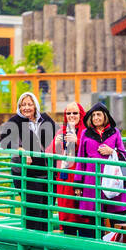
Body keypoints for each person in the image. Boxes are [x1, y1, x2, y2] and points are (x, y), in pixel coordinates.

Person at [0, 91, 56, 232]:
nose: (26, 108)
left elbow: (58, 136)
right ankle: (32, 245)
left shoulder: (46, 119)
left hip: (47, 172)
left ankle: (45, 245)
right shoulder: (15, 122)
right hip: (26, 173)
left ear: (35, 106)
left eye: (29, 104)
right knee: (33, 208)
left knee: (47, 209)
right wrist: (21, 150)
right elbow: (4, 142)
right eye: (23, 105)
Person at [75, 101, 126, 241]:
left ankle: (119, 246)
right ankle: (97, 248)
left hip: (112, 177)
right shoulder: (86, 133)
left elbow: (124, 155)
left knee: (116, 215)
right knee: (95, 216)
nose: (96, 118)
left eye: (99, 115)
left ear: (105, 116)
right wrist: (78, 183)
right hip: (91, 178)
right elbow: (80, 158)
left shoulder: (115, 132)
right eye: (93, 115)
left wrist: (111, 151)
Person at [48, 101, 91, 236]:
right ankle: (69, 249)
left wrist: (77, 141)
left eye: (75, 113)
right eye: (68, 113)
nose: (71, 116)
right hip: (65, 180)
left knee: (83, 215)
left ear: (81, 114)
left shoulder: (87, 131)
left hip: (81, 179)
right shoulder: (61, 131)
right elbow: (49, 153)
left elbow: (92, 151)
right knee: (67, 214)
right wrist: (56, 144)